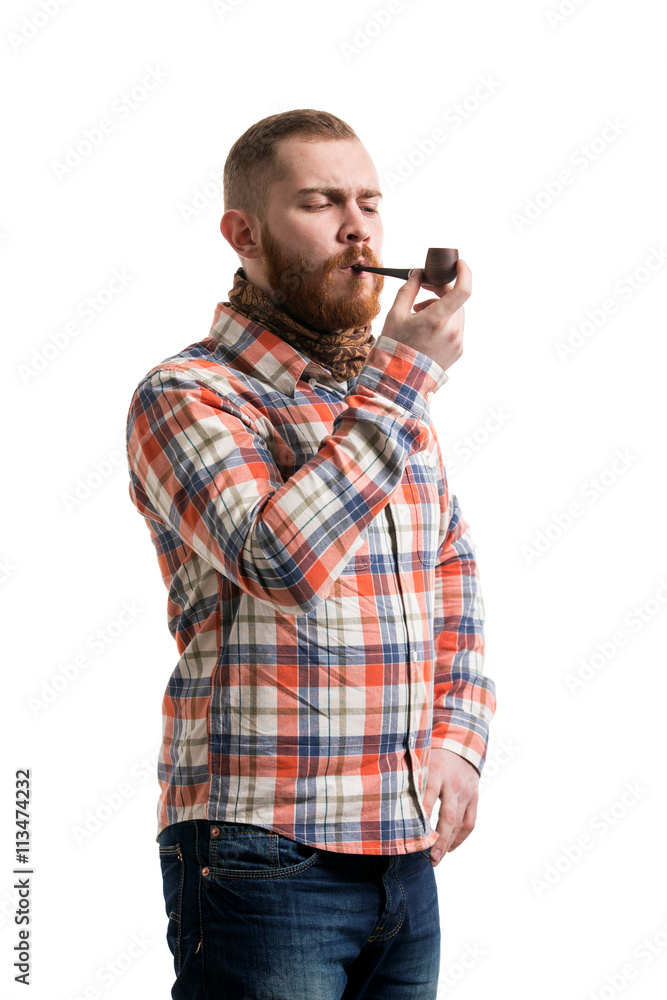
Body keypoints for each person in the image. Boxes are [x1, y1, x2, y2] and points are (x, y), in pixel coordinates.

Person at [125, 108, 497, 1000]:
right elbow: (278, 561)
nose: (356, 225)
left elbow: (449, 570)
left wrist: (458, 738)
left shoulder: (386, 396)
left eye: (368, 201)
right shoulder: (188, 394)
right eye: (321, 201)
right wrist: (404, 379)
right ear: (243, 232)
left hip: (402, 856)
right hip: (262, 851)